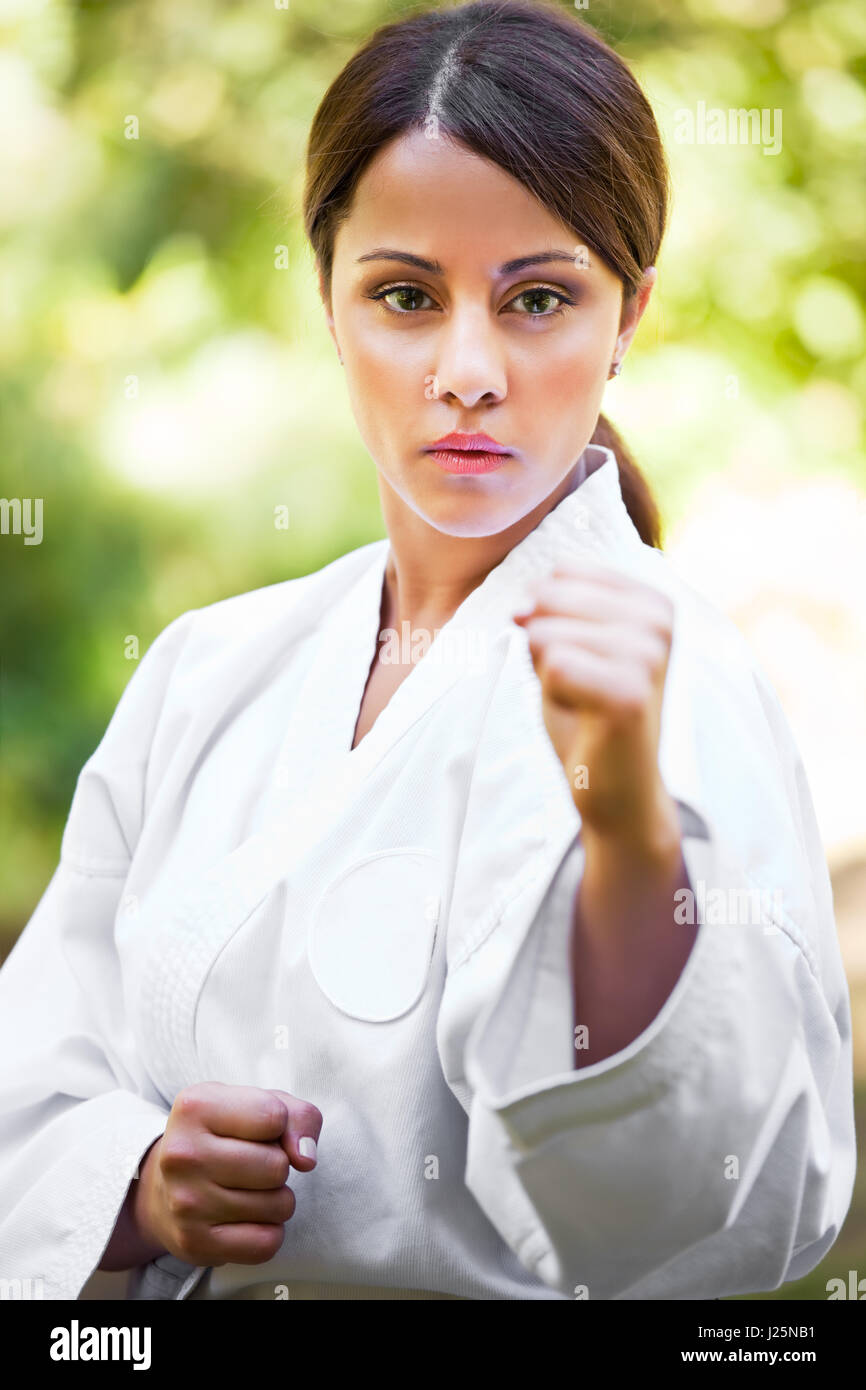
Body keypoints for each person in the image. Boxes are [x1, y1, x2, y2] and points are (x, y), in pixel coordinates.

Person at [0, 0, 855, 1302]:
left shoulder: (677, 676)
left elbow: (702, 1209)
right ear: (328, 303)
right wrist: (136, 1185)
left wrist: (626, 825)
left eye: (538, 299)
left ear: (628, 316)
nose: (466, 368)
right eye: (405, 293)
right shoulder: (208, 668)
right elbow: (38, 1070)